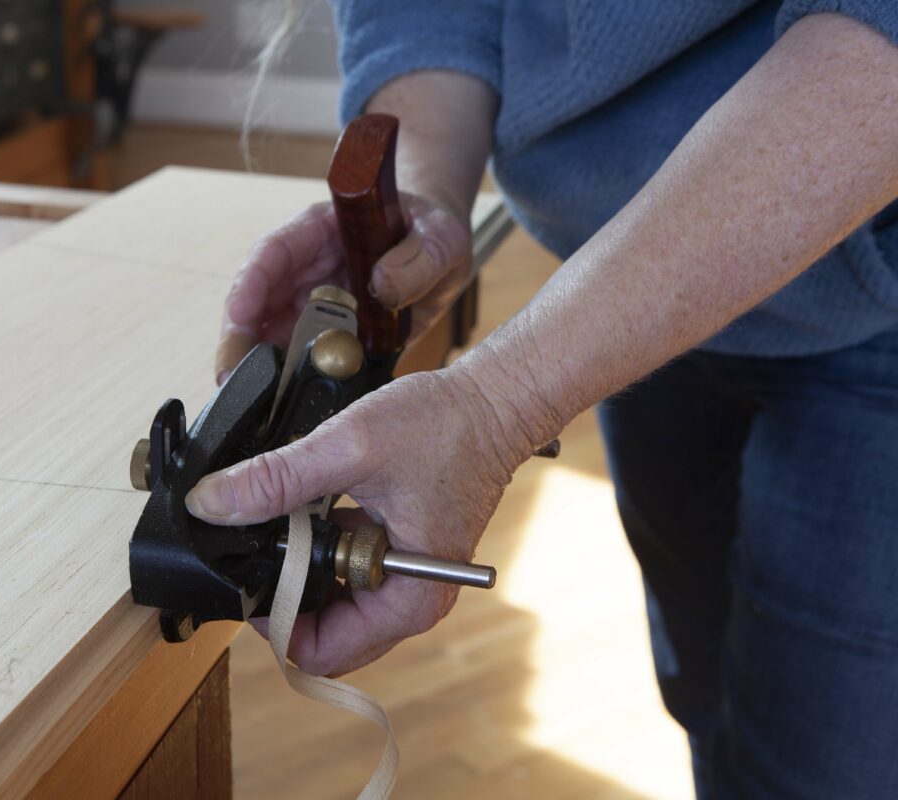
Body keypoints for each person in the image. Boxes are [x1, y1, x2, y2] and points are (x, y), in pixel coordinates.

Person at [185, 3, 898, 797]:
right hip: (625, 293)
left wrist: (496, 408)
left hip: (873, 279)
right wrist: (422, 199)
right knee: (708, 693)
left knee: (830, 763)